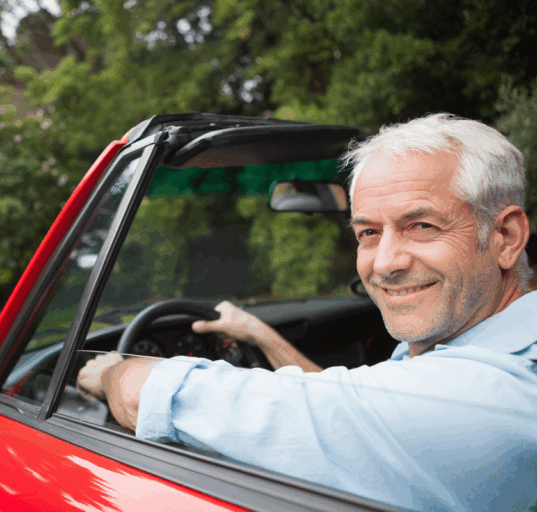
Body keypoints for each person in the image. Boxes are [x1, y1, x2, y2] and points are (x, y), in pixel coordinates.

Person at [77, 114, 537, 510]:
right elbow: (343, 404)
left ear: (506, 237)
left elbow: (154, 398)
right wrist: (259, 334)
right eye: (368, 233)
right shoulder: (475, 350)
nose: (386, 263)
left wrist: (115, 373)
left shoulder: (495, 393)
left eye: (421, 226)